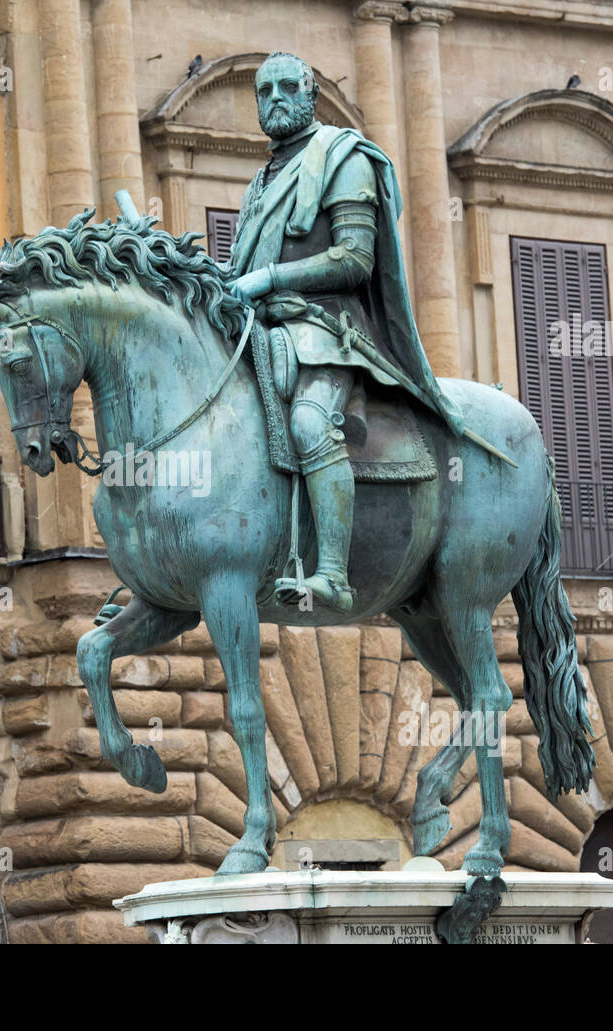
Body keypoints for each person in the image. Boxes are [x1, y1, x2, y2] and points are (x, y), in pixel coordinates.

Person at [227, 51, 463, 612]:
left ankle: (332, 572)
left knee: (310, 424)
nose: (276, 98)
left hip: (326, 330)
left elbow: (355, 259)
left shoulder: (343, 157)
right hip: (262, 330)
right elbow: (241, 271)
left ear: (311, 95)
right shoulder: (261, 181)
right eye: (265, 91)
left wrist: (270, 277)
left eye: (289, 86)